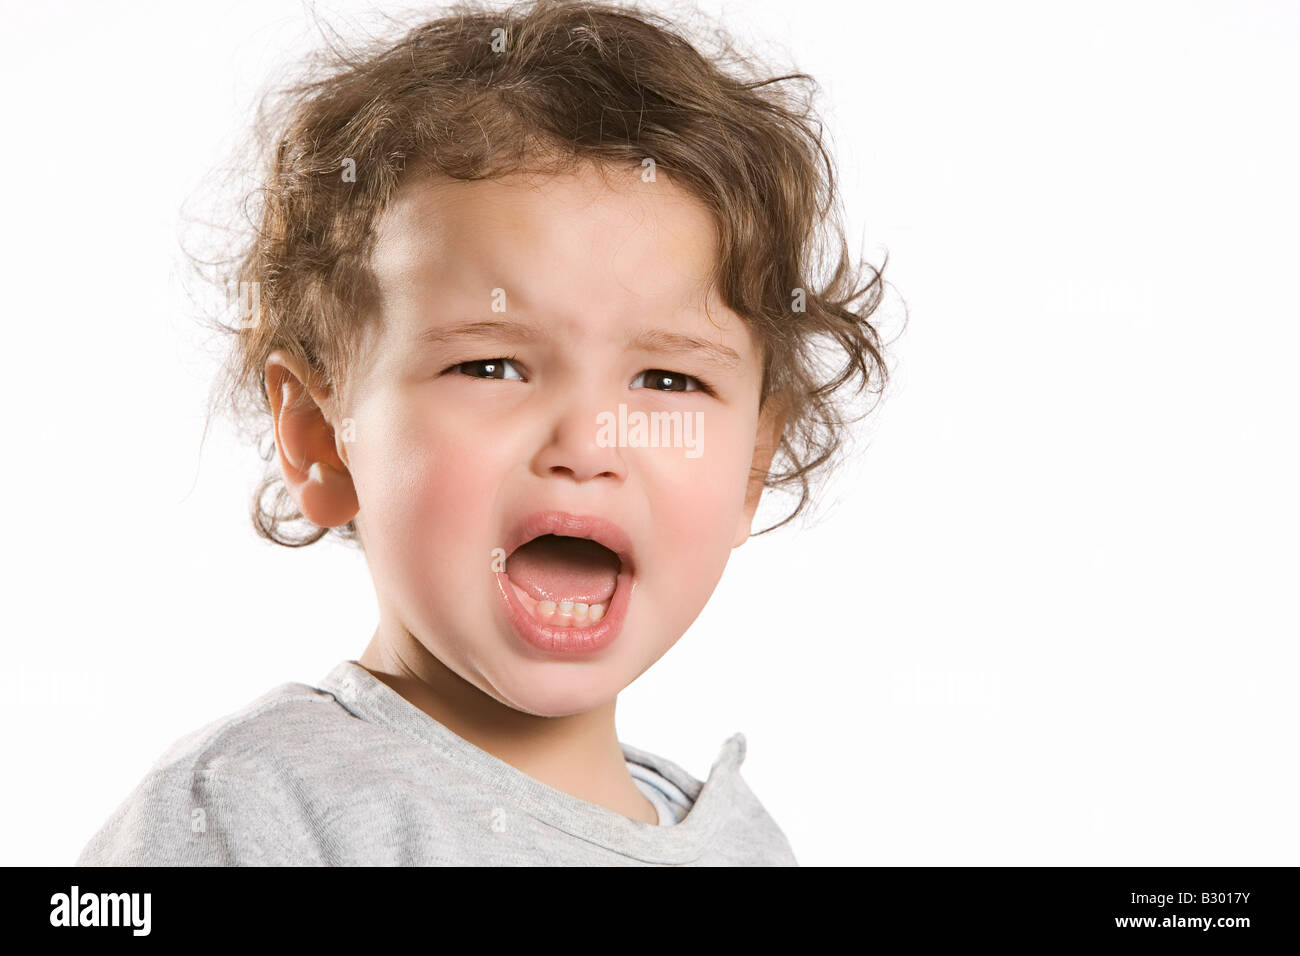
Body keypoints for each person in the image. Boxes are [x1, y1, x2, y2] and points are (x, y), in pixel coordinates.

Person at [77, 0, 890, 866]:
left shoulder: (748, 847)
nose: (588, 442)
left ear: (751, 468)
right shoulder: (254, 808)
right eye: (492, 367)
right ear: (322, 434)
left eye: (668, 379)